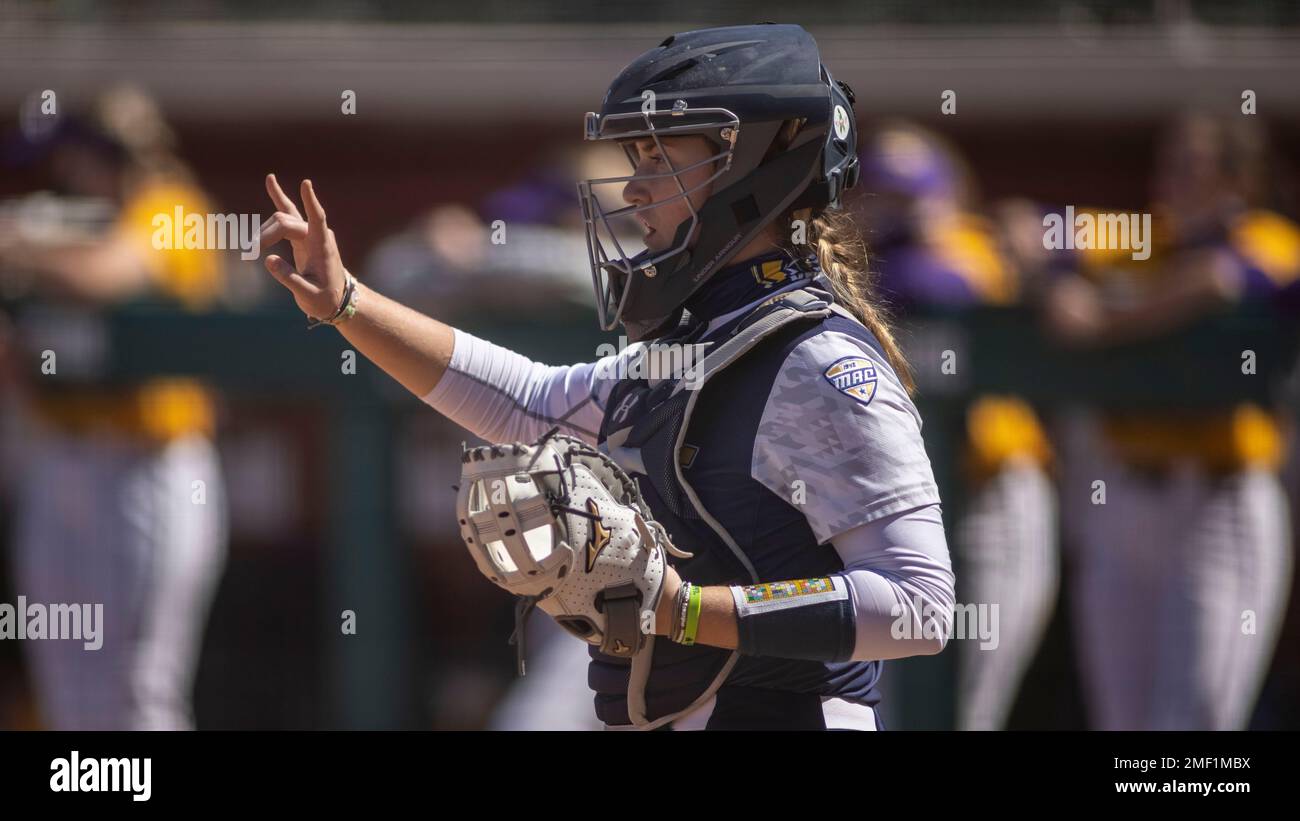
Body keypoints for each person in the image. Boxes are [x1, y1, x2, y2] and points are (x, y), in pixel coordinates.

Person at [259, 23, 955, 730]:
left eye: (661, 156)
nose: (634, 184)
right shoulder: (704, 339)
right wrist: (349, 302)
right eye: (636, 153)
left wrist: (679, 608)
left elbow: (920, 606)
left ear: (753, 165)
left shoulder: (818, 359)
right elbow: (525, 402)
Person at [1043, 113, 1296, 730]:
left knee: (1196, 723)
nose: (1171, 179)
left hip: (1217, 498)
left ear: (1238, 180)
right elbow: (1042, 237)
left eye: (1193, 164)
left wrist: (1108, 322)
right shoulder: (1144, 235)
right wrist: (1058, 283)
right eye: (1170, 162)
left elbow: (1227, 277)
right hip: (1126, 492)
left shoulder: (1266, 236)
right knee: (1122, 723)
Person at [0, 86, 228, 729]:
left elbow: (102, 275)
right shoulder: (67, 232)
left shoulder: (170, 208)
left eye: (75, 159)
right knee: (66, 686)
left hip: (147, 469)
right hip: (63, 462)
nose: (65, 175)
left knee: (138, 687)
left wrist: (14, 243)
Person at [859, 121, 1057, 731]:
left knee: (969, 710)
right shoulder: (859, 262)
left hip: (993, 495)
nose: (904, 208)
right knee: (887, 709)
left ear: (950, 192)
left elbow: (936, 285)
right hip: (901, 512)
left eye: (917, 193)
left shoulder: (973, 245)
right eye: (886, 193)